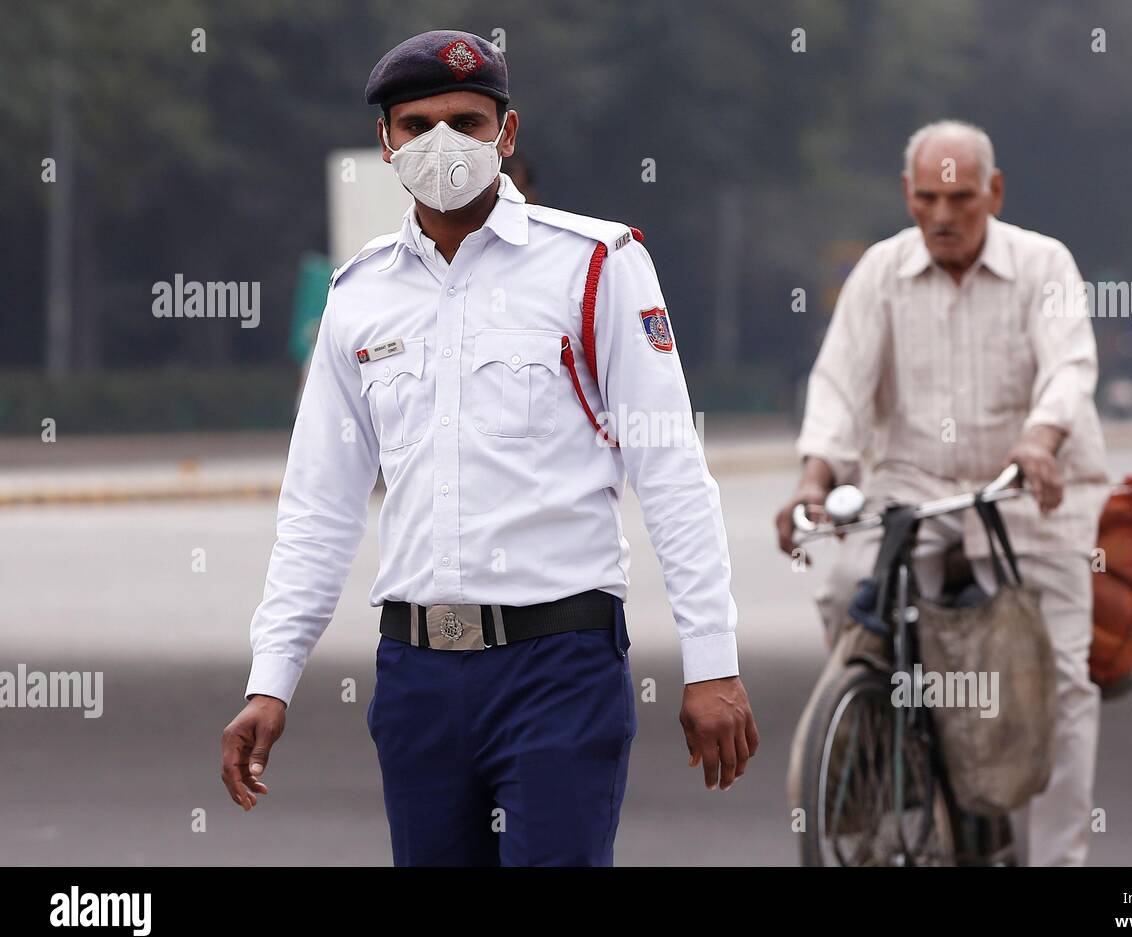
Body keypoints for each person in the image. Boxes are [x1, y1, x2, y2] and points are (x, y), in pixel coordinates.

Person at [220, 29, 758, 867]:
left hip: (560, 668)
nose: (443, 144)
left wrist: (712, 663)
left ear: (507, 135)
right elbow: (320, 505)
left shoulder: (595, 265)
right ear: (386, 142)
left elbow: (673, 473)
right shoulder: (359, 294)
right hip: (416, 677)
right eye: (418, 124)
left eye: (466, 122)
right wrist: (271, 678)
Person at [775, 120, 1110, 866]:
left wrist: (1040, 439)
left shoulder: (1042, 265)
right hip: (914, 488)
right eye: (927, 197)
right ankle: (897, 751)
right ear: (907, 194)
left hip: (1025, 489)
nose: (943, 216)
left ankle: (1056, 858)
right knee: (847, 591)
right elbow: (838, 386)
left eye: (960, 197)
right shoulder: (879, 274)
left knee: (1059, 677)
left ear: (994, 191)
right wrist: (815, 477)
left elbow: (1070, 368)